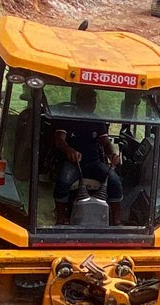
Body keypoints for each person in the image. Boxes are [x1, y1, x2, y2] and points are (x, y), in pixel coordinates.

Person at [52, 87, 123, 225]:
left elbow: (105, 142)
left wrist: (112, 155)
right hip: (73, 163)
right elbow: (59, 140)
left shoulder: (97, 120)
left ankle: (116, 220)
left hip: (94, 162)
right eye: (90, 101)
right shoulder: (67, 118)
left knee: (114, 180)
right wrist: (70, 151)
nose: (94, 104)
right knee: (63, 180)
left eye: (94, 101)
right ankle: (60, 216)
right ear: (80, 101)